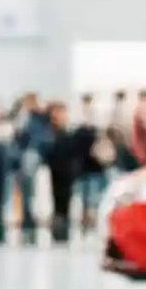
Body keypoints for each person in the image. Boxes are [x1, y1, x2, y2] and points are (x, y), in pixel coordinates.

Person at [11, 92, 54, 242]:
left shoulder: (39, 118)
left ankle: (31, 221)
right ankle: (26, 220)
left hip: (32, 154)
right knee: (25, 191)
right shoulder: (22, 117)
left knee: (32, 191)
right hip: (22, 156)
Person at [72, 93, 111, 235]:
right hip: (86, 167)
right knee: (86, 199)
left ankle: (90, 225)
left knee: (92, 199)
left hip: (93, 167)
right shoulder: (84, 124)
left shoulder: (94, 124)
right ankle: (86, 225)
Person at [44, 101, 77, 244]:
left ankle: (63, 233)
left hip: (67, 173)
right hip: (56, 172)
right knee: (57, 203)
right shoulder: (51, 133)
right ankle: (58, 233)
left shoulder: (68, 133)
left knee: (66, 203)